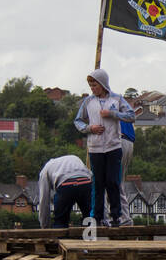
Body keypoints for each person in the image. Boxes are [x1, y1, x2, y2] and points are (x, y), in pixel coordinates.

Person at [73, 68, 135, 227]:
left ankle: (116, 216)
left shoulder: (116, 99)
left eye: (95, 85)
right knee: (97, 183)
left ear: (102, 84)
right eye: (90, 85)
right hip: (95, 148)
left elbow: (131, 115)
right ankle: (98, 217)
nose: (93, 88)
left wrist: (113, 114)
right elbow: (78, 121)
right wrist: (89, 129)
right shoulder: (88, 102)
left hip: (114, 146)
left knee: (113, 182)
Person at [35, 154, 92, 228]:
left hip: (65, 185)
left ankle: (61, 235)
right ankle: (92, 237)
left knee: (60, 221)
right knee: (90, 218)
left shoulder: (45, 170)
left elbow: (44, 200)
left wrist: (45, 226)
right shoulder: (74, 157)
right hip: (86, 182)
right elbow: (93, 180)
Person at [116, 104, 143, 226]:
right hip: (128, 142)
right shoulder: (119, 102)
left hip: (118, 141)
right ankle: (124, 217)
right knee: (118, 180)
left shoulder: (103, 104)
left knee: (109, 181)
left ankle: (119, 217)